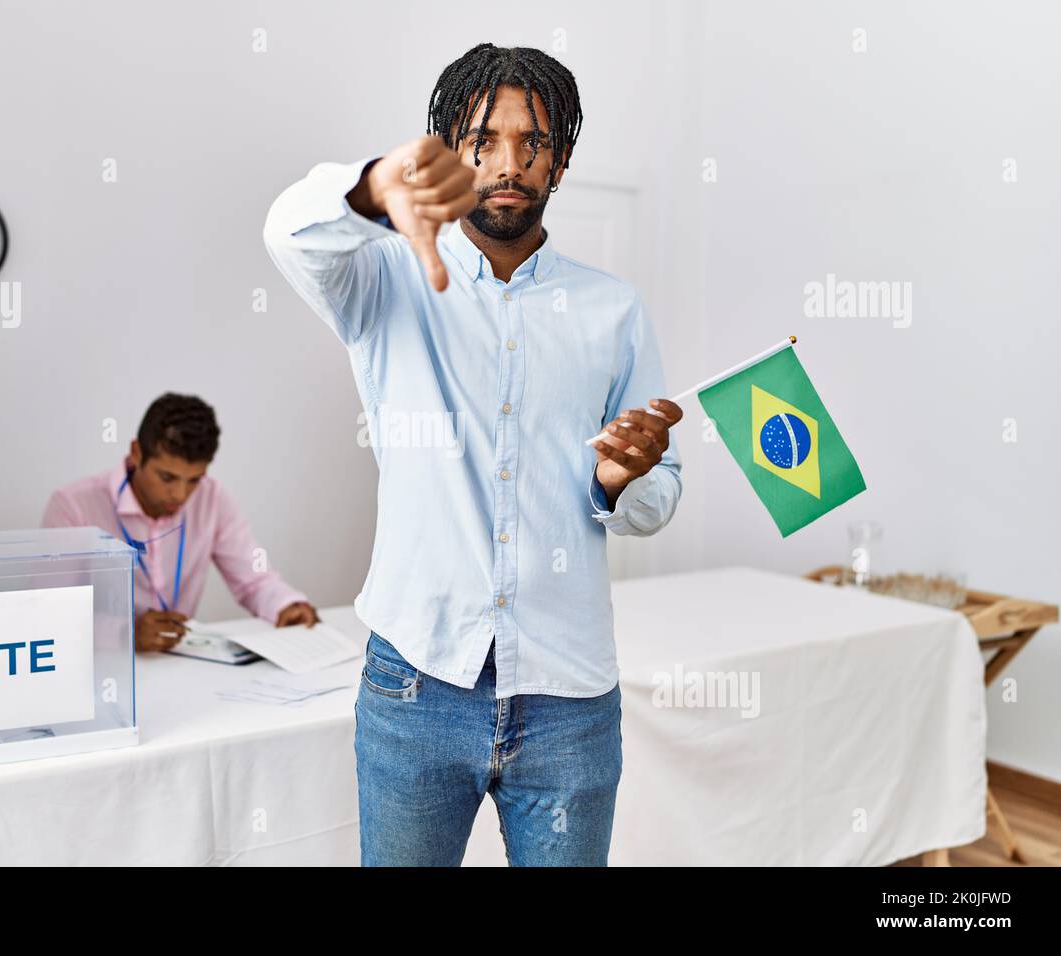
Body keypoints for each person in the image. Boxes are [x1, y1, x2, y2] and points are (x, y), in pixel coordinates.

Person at [264, 43, 683, 866]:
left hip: (570, 698)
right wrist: (371, 189)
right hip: (414, 686)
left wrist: (617, 483)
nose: (509, 163)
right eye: (484, 140)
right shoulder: (384, 277)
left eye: (534, 144)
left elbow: (659, 491)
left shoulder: (613, 310)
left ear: (559, 160)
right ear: (449, 148)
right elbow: (288, 233)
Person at [42, 392, 318, 652]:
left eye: (194, 479)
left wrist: (285, 603)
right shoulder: (73, 506)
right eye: (167, 477)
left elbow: (253, 578)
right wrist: (126, 632)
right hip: (97, 664)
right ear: (136, 453)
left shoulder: (212, 498)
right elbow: (49, 611)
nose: (180, 495)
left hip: (177, 663)